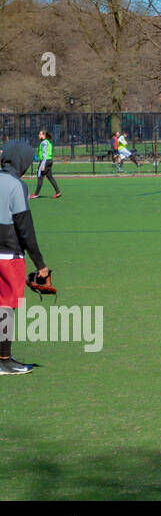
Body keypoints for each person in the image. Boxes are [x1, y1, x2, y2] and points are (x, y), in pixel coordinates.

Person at [0, 140, 53, 374]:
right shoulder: (16, 185)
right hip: (9, 254)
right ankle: (3, 359)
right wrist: (40, 265)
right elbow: (25, 229)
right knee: (6, 308)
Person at [31, 130, 61, 199]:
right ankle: (58, 192)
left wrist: (43, 165)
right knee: (50, 177)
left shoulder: (44, 142)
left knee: (40, 177)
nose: (39, 135)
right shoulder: (48, 142)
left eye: (40, 134)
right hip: (50, 161)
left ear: (43, 135)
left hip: (45, 162)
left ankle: (36, 194)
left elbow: (45, 155)